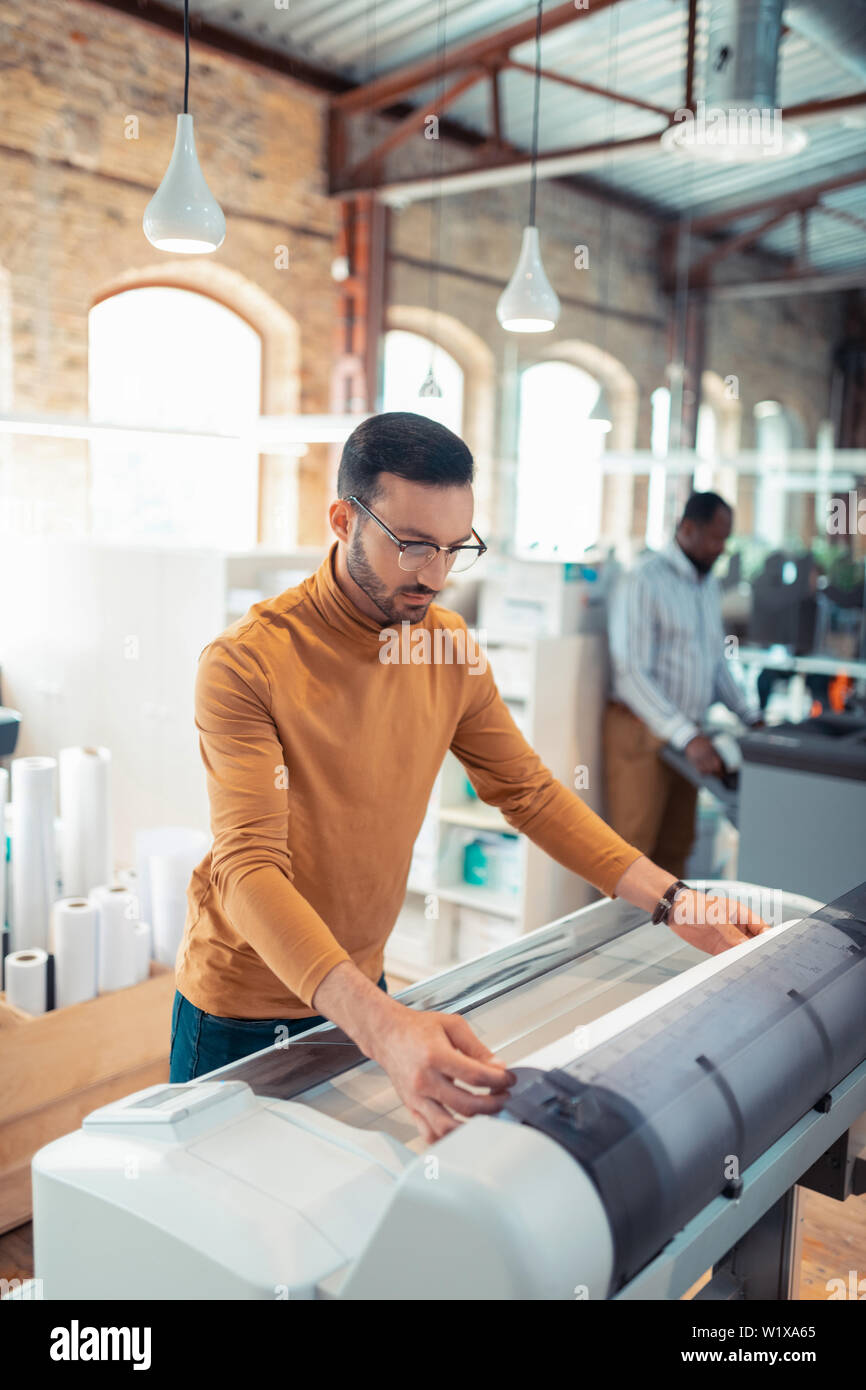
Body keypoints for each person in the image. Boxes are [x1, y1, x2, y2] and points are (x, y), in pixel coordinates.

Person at [171, 422, 767, 1144]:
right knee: (222, 1234)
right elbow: (247, 866)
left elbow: (531, 793)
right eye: (413, 543)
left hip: (362, 990)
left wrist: (674, 901)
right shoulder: (246, 663)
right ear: (341, 520)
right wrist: (380, 1024)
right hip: (243, 1009)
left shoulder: (446, 645)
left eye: (456, 548)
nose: (435, 574)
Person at [605, 491, 762, 880]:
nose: (721, 548)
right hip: (642, 731)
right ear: (687, 529)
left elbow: (716, 665)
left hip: (688, 735)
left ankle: (658, 938)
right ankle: (622, 938)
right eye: (714, 537)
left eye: (726, 539)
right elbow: (630, 672)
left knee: (677, 848)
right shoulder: (643, 579)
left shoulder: (707, 584)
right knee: (633, 853)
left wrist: (750, 716)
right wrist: (686, 736)